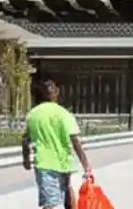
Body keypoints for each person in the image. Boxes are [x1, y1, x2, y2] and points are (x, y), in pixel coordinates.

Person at [23, 80, 93, 209]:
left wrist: (26, 159)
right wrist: (86, 165)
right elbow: (75, 141)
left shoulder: (32, 115)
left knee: (49, 203)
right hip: (65, 162)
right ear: (56, 93)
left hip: (44, 163)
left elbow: (25, 140)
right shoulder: (64, 114)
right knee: (68, 193)